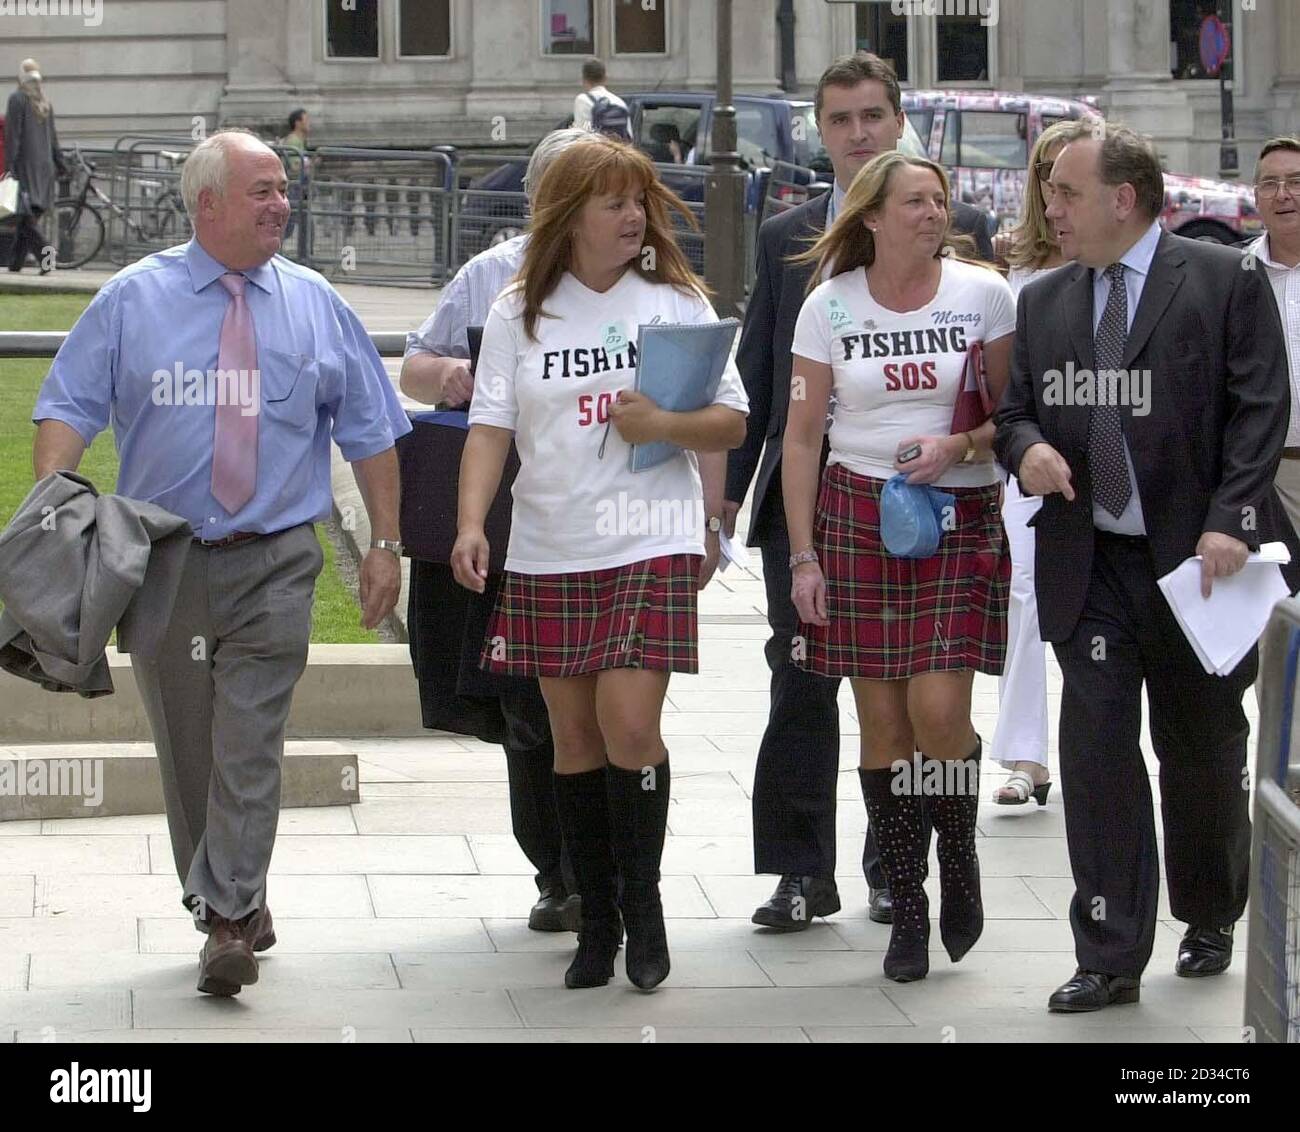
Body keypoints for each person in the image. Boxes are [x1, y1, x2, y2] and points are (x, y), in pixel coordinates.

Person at [31, 129, 411, 997]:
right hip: (160, 558)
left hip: (277, 558)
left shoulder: (315, 303)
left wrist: (384, 545)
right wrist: (54, 514)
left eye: (285, 189)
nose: (283, 204)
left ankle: (228, 917)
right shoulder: (133, 301)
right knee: (190, 745)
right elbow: (68, 405)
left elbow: (372, 431)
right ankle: (233, 896)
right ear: (207, 205)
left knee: (249, 737)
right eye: (263, 191)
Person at [994, 122, 1299, 1013]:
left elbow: (1257, 407)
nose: (1050, 208)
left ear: (1121, 200)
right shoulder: (1046, 300)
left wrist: (1230, 519)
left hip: (1196, 567)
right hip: (1090, 566)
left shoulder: (1219, 280)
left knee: (1200, 752)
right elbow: (1013, 412)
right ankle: (1109, 952)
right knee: (1093, 757)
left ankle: (1208, 911)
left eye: (1066, 193)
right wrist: (1027, 451)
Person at [452, 134, 748, 991]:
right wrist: (474, 523)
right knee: (572, 739)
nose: (633, 216)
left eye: (639, 201)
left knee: (629, 728)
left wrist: (662, 427)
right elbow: (490, 429)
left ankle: (645, 907)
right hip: (551, 545)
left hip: (648, 538)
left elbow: (730, 421)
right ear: (569, 215)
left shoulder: (677, 302)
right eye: (614, 202)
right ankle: (598, 917)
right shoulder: (519, 312)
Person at [724, 52, 994, 934]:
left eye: (872, 115)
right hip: (819, 505)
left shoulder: (964, 238)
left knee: (916, 699)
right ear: (820, 130)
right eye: (839, 120)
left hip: (941, 506)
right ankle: (803, 873)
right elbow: (764, 386)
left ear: (898, 118)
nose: (857, 133)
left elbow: (998, 387)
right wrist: (728, 498)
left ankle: (896, 870)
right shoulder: (787, 235)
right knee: (801, 686)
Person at [785, 150, 1014, 982]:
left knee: (939, 709)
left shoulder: (984, 295)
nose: (933, 211)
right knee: (883, 728)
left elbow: (1011, 415)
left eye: (940, 199)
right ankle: (908, 904)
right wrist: (803, 556)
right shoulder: (828, 308)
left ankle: (959, 857)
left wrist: (957, 442)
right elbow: (802, 435)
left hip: (958, 513)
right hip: (857, 516)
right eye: (915, 200)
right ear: (872, 216)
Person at [400, 126, 592, 933]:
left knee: (599, 705)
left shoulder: (638, 281)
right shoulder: (488, 276)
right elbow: (413, 366)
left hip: (597, 527)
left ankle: (606, 866)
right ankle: (558, 870)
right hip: (506, 523)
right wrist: (451, 374)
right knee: (526, 706)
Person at [987, 120, 1077, 806]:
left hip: (1106, 447)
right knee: (1024, 592)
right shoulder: (1009, 258)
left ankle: (1097, 744)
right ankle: (1025, 756)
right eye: (1046, 169)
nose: (1056, 185)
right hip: (1026, 447)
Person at [1244, 136, 1300, 538]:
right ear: (1256, 198)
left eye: (1296, 182)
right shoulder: (1234, 277)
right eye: (1270, 184)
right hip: (1268, 477)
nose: (1283, 195)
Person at [5, 59, 66, 274]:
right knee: (25, 221)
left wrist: (9, 168)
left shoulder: (16, 99)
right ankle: (14, 265)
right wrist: (61, 164)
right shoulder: (45, 103)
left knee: (27, 220)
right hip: (44, 169)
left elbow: (14, 137)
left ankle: (48, 257)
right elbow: (53, 139)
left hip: (25, 168)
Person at [572, 58, 630, 139]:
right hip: (617, 150)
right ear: (605, 77)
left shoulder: (582, 100)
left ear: (584, 79)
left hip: (596, 150)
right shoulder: (619, 102)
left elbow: (581, 136)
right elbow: (629, 136)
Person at [279, 109, 310, 244]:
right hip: (294, 187)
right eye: (306, 120)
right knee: (289, 224)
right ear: (298, 123)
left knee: (306, 223)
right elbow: (295, 167)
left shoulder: (299, 141)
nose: (309, 123)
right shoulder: (293, 141)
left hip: (300, 187)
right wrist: (312, 163)